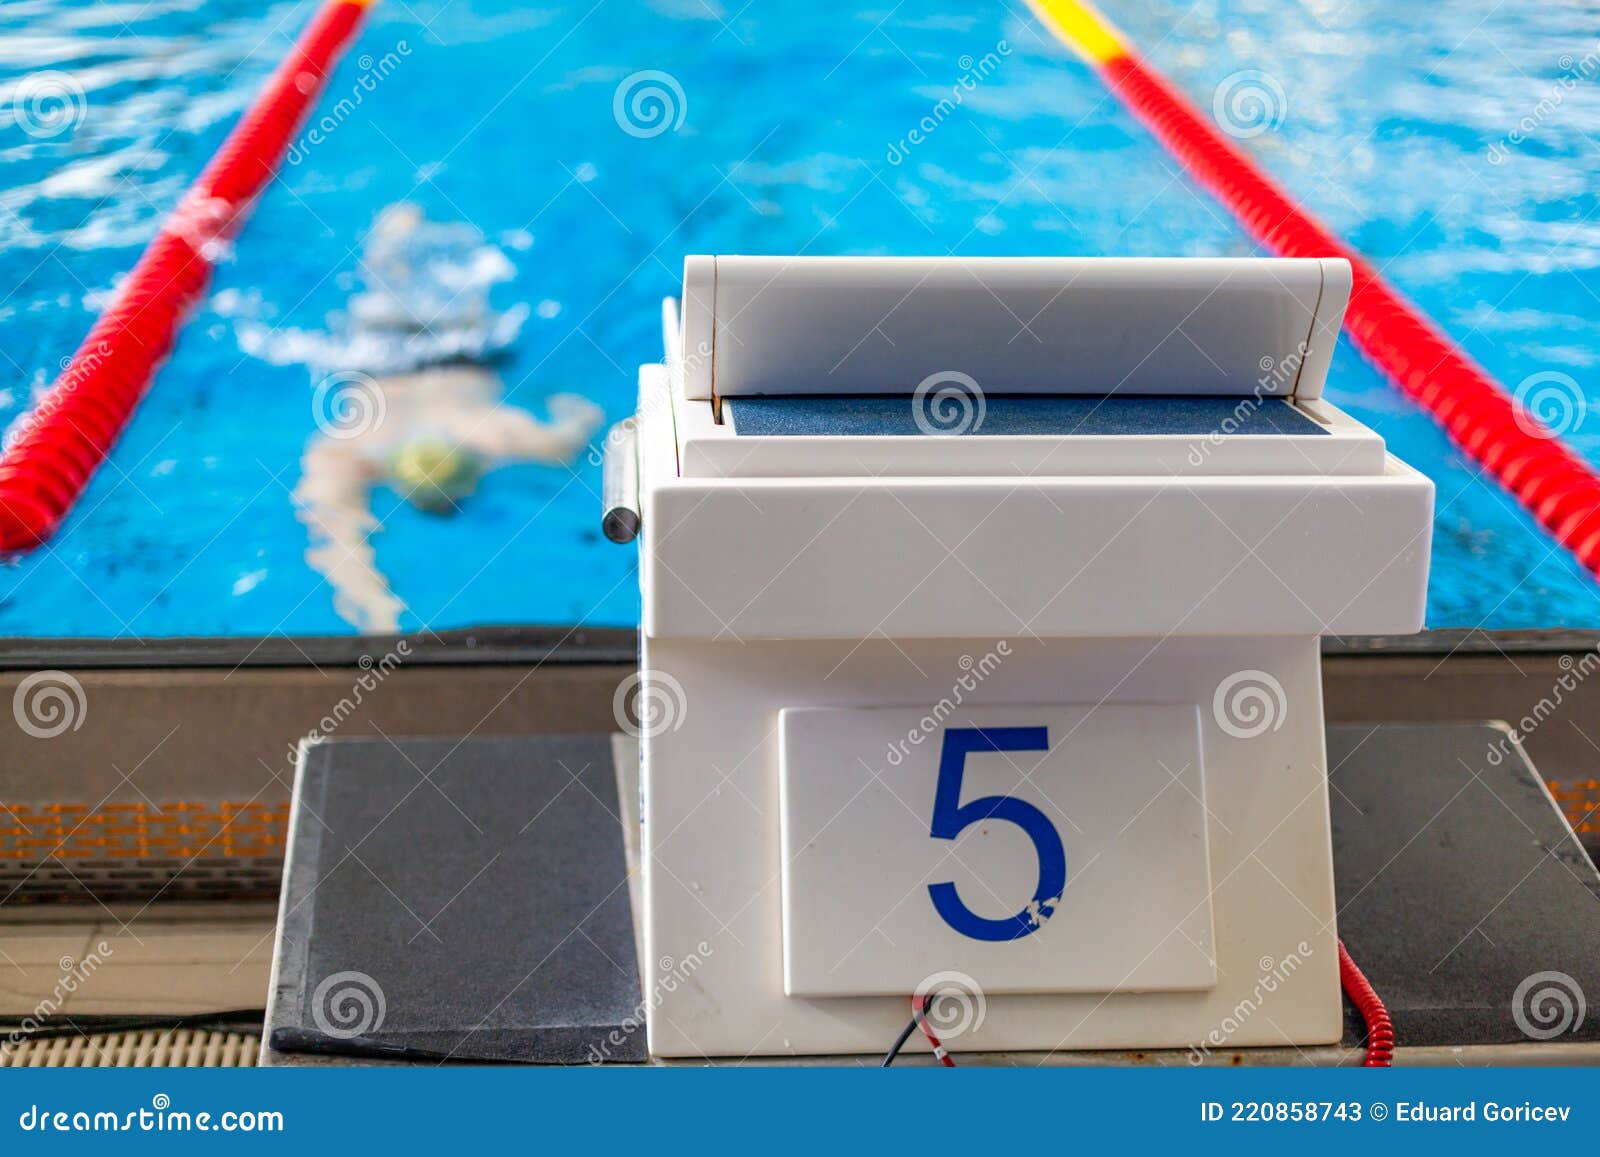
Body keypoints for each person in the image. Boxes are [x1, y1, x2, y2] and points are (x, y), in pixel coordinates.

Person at [290, 205, 600, 633]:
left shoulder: (496, 437)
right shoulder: (494, 435)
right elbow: (577, 427)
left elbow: (334, 534)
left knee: (432, 287)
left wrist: (378, 613)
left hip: (455, 352)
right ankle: (396, 233)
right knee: (387, 285)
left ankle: (398, 228)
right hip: (381, 358)